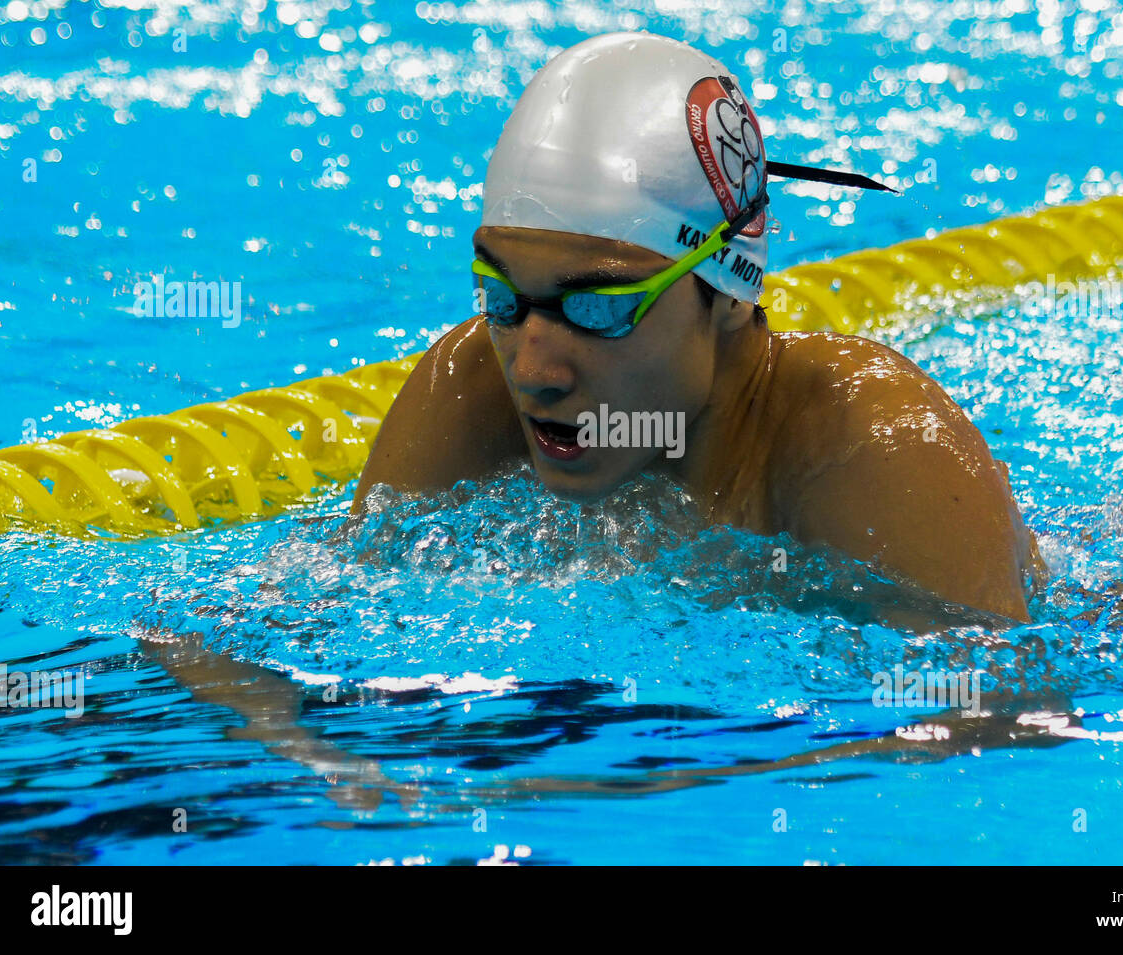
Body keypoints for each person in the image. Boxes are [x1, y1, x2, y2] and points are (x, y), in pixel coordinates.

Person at [353, 31, 1045, 622]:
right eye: (501, 296)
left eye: (599, 306)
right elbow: (306, 631)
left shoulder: (870, 448)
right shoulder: (473, 389)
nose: (533, 371)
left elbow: (993, 719)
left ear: (731, 291)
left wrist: (652, 776)